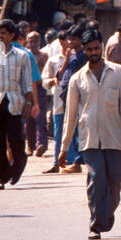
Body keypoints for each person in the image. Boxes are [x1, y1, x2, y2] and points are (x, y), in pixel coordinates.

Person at [60, 25, 121, 239]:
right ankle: (95, 224)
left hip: (114, 137)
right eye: (89, 50)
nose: (93, 53)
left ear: (101, 48)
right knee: (96, 180)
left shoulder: (119, 72)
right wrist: (64, 148)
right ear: (84, 50)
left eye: (96, 48)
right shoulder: (77, 79)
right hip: (89, 139)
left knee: (115, 182)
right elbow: (71, 115)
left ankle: (106, 214)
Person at [0, 19, 34, 189]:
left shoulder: (22, 56)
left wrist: (29, 102)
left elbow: (27, 81)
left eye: (4, 33)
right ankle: (1, 176)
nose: (0, 36)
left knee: (15, 139)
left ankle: (18, 164)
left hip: (15, 103)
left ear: (11, 35)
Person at [58, 25, 87, 173]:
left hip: (77, 95)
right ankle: (76, 159)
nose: (70, 42)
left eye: (74, 39)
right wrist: (66, 58)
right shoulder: (71, 55)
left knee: (77, 128)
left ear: (81, 40)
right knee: (71, 127)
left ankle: (78, 161)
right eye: (69, 39)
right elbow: (60, 76)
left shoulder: (83, 56)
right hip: (65, 93)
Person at [42, 29, 70, 173]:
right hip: (59, 102)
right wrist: (52, 81)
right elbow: (44, 80)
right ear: (61, 42)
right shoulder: (53, 61)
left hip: (75, 102)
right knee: (59, 132)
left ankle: (71, 162)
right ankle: (56, 162)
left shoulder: (78, 59)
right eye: (68, 39)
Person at [22, 29, 48, 156]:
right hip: (27, 89)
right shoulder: (24, 55)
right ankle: (29, 145)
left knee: (40, 117)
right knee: (28, 119)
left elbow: (42, 73)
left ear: (39, 41)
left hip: (40, 89)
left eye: (35, 41)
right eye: (30, 41)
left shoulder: (43, 56)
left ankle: (40, 144)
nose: (32, 43)